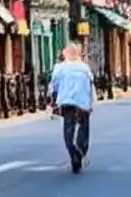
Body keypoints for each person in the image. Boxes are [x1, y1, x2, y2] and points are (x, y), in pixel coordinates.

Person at [49, 42, 96, 174]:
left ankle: (73, 151)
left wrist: (54, 101)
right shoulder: (85, 68)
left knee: (68, 130)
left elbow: (54, 86)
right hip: (83, 103)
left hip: (67, 102)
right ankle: (80, 151)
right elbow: (90, 86)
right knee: (83, 128)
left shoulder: (59, 68)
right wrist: (91, 103)